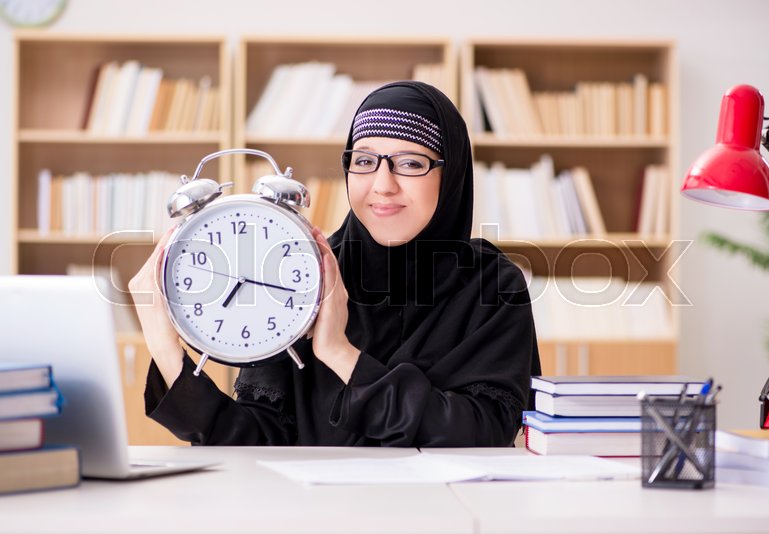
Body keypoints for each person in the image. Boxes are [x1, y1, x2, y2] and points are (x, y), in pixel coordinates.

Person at [129, 80, 540, 447]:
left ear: (450, 177)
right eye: (364, 162)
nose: (382, 185)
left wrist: (338, 352)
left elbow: (482, 431)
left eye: (411, 163)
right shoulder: (305, 271)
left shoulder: (493, 286)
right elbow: (256, 438)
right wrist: (167, 350)